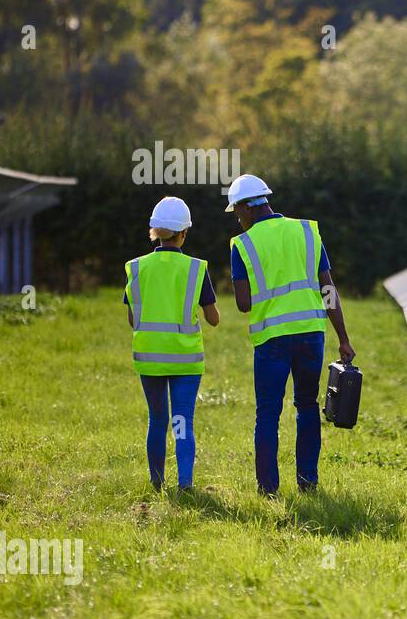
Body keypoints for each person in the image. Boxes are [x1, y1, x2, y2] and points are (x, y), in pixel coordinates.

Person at [225, 174, 355, 496]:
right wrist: (343, 337)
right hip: (311, 334)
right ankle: (308, 483)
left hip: (272, 340)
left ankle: (269, 490)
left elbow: (243, 304)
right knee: (307, 406)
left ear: (247, 207)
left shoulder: (242, 245)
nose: (238, 220)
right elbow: (327, 288)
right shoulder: (307, 232)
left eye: (237, 212)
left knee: (268, 413)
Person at [124, 196, 219, 490]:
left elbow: (132, 319)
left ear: (155, 231)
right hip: (185, 360)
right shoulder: (196, 269)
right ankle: (185, 485)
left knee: (157, 421)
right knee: (181, 422)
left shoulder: (136, 268)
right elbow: (213, 318)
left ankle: (156, 483)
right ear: (184, 233)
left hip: (150, 358)